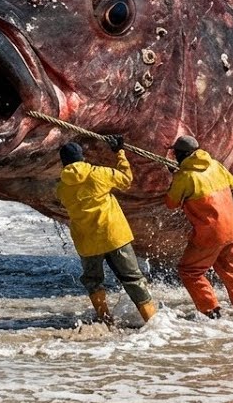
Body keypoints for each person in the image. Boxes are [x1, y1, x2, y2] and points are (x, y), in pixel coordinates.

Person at [55, 138, 158, 326]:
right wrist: (119, 153)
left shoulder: (61, 188)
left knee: (93, 281)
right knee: (133, 278)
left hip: (87, 242)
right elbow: (126, 179)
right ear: (82, 158)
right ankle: (152, 321)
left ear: (63, 163)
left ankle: (105, 319)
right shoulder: (98, 174)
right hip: (114, 235)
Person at [164, 135, 233, 319]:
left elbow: (171, 203)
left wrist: (174, 177)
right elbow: (232, 182)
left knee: (190, 271)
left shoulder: (184, 176)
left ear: (180, 155)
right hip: (231, 231)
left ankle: (211, 313)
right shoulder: (215, 164)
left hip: (211, 234)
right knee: (232, 273)